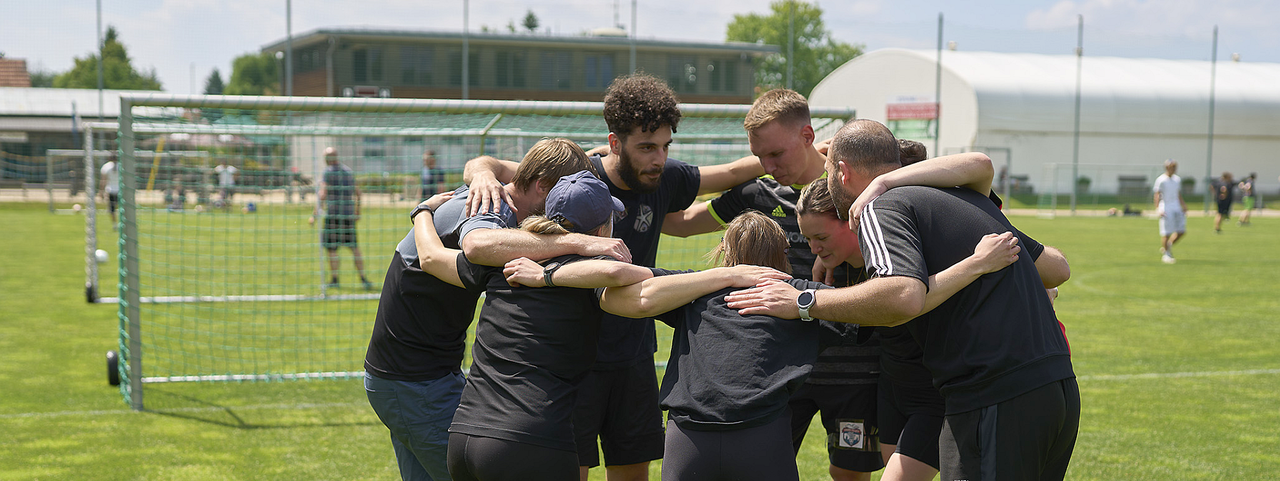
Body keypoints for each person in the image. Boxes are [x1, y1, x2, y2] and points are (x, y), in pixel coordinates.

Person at [660, 88, 995, 481]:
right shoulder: (756, 193)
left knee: (849, 473)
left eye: (776, 154)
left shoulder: (860, 187)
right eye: (759, 156)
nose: (767, 166)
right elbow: (678, 224)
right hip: (776, 374)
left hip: (858, 368)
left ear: (808, 137)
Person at [726, 119, 1077, 481]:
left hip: (994, 392)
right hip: (1055, 385)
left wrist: (803, 302)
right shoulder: (966, 197)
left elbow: (904, 296)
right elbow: (1056, 270)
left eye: (828, 169)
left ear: (842, 173)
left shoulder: (880, 208)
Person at [462, 73, 766, 481]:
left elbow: (729, 172)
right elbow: (499, 168)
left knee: (633, 469)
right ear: (613, 143)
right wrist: (481, 172)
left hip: (634, 353)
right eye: (646, 148)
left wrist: (798, 155)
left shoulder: (663, 177)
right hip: (575, 358)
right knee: (573, 469)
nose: (658, 158)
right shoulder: (577, 177)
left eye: (664, 146)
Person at [414, 170, 786, 481]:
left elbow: (432, 259)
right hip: (529, 440)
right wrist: (725, 276)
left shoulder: (507, 258)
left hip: (463, 437)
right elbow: (639, 292)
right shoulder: (591, 280)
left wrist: (423, 213)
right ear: (601, 228)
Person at [364, 139, 619, 481]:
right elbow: (477, 246)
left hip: (412, 374)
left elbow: (495, 165)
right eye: (557, 198)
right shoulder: (492, 206)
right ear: (541, 184)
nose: (561, 214)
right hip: (416, 380)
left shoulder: (506, 188)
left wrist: (473, 175)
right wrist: (580, 241)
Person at [310, 147, 372, 290]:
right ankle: (363, 278)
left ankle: (335, 279)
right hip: (348, 215)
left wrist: (314, 214)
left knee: (332, 249)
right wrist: (357, 211)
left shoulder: (327, 172)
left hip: (333, 216)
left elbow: (322, 194)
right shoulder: (348, 172)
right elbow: (358, 193)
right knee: (354, 247)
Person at [1153, 159, 1187, 264]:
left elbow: (1178, 193)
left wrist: (1183, 205)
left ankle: (1167, 246)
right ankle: (1166, 255)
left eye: (1174, 167)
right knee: (1166, 232)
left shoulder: (1177, 179)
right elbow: (1157, 194)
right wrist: (1158, 208)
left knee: (1181, 231)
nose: (1172, 169)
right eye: (1170, 167)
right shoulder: (1161, 180)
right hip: (1166, 207)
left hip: (1176, 207)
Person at [99, 152, 119, 225]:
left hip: (111, 190)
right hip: (120, 190)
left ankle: (114, 224)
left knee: (112, 209)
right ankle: (122, 224)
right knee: (122, 208)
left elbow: (103, 181)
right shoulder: (121, 166)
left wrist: (101, 191)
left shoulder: (106, 167)